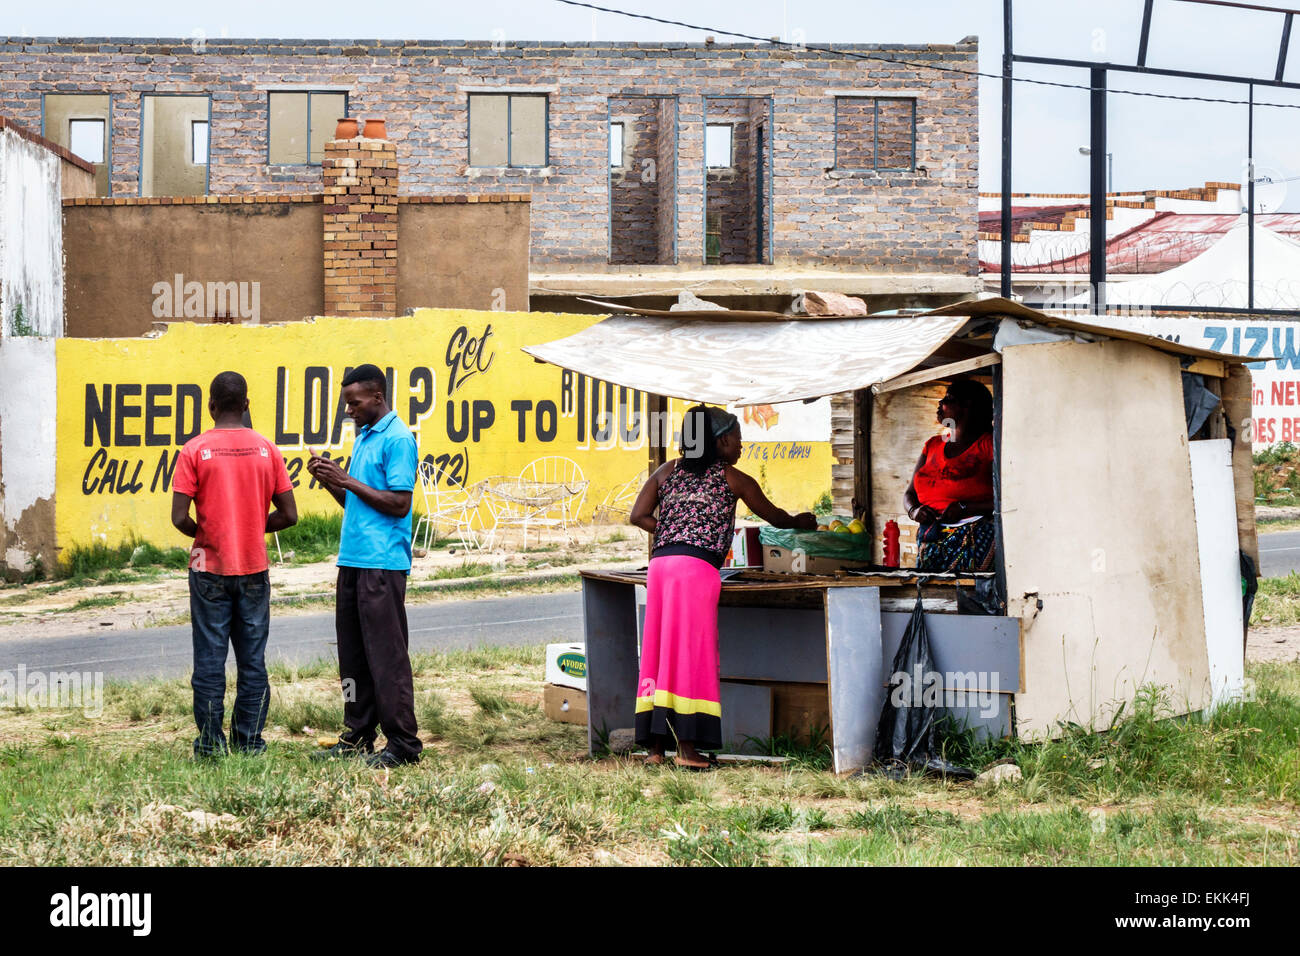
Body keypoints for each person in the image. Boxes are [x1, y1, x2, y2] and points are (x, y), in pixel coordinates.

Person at [629, 405, 817, 770]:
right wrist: (801, 522)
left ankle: (654, 748)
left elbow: (638, 515)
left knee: (658, 651)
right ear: (722, 440)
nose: (742, 446)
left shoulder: (667, 471)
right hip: (695, 570)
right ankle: (688, 750)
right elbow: (775, 517)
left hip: (661, 567)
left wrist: (673, 532)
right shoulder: (733, 478)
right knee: (691, 655)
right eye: (739, 439)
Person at [171, 371, 297, 759]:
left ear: (210, 407)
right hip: (254, 568)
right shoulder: (266, 449)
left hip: (208, 568)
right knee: (252, 661)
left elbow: (178, 518)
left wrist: (207, 533)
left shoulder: (193, 450)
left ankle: (210, 746)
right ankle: (250, 742)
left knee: (209, 661)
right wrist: (253, 526)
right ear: (246, 405)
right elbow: (289, 515)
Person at [307, 364, 422, 769]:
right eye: (346, 404)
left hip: (382, 564)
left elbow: (399, 503)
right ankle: (357, 735)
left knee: (386, 657)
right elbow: (360, 503)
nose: (349, 410)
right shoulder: (365, 437)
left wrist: (347, 479)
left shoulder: (398, 439)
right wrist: (332, 482)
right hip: (353, 561)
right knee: (353, 657)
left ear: (377, 397)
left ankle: (403, 744)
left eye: (354, 403)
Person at [903, 378, 997, 573]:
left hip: (974, 538)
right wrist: (914, 511)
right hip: (930, 538)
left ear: (967, 406)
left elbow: (1008, 499)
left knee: (967, 599)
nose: (940, 404)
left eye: (948, 398)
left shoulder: (989, 445)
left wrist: (965, 508)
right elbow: (909, 493)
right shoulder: (933, 445)